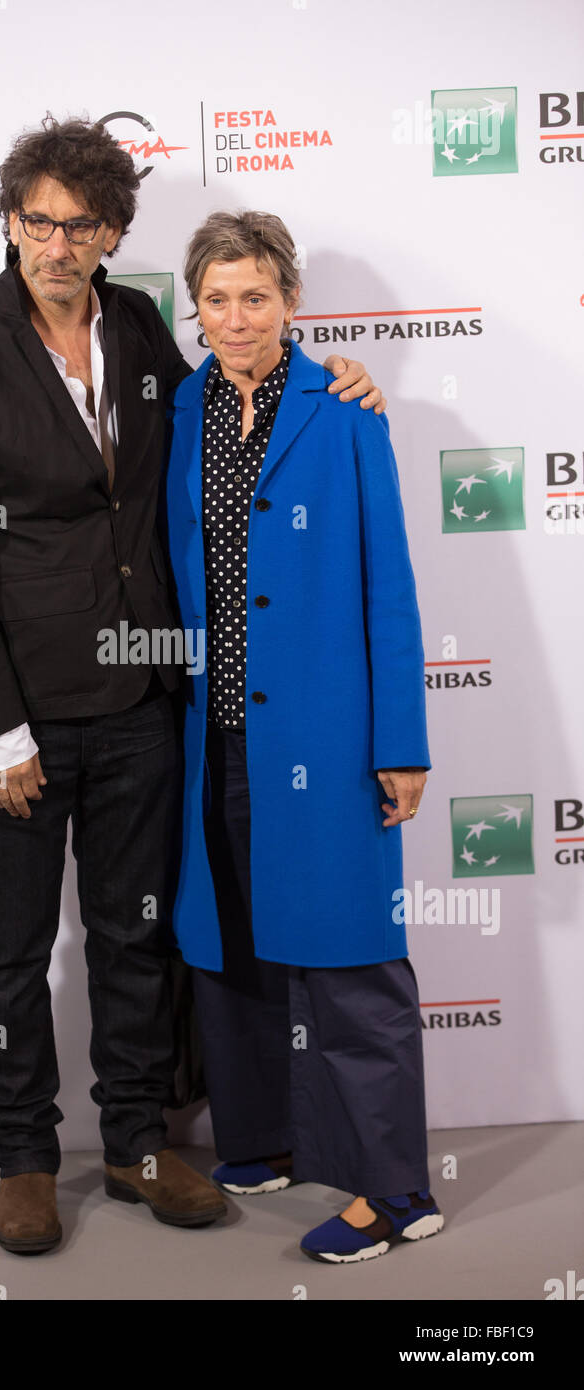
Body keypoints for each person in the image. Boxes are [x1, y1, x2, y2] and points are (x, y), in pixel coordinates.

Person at [0, 116, 384, 1256]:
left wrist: (332, 377)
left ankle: (135, 1140)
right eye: (38, 221)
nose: (58, 244)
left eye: (83, 224)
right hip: (18, 719)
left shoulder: (144, 326)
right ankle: (22, 1154)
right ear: (9, 219)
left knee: (134, 936)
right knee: (13, 949)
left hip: (142, 700)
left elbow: (234, 403)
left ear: (112, 231)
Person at [162, 210, 443, 1263]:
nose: (235, 317)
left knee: (351, 960)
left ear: (290, 303)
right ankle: (262, 1138)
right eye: (217, 298)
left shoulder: (344, 414)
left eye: (255, 297)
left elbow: (389, 591)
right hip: (212, 738)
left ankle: (395, 1191)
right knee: (230, 947)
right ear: (196, 306)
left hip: (327, 740)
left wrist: (398, 742)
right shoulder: (180, 408)